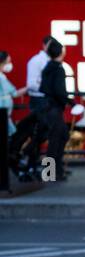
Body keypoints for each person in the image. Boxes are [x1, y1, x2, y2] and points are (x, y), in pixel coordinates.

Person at [37, 40, 70, 181]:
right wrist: (71, 103)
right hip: (55, 108)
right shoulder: (58, 69)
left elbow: (43, 87)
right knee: (56, 140)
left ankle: (55, 170)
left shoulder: (48, 67)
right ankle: (50, 173)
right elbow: (60, 91)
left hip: (47, 107)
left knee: (60, 137)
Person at [0, 50, 26, 194]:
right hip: (3, 118)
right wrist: (30, 87)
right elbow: (15, 93)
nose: (10, 65)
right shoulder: (1, 78)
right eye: (8, 62)